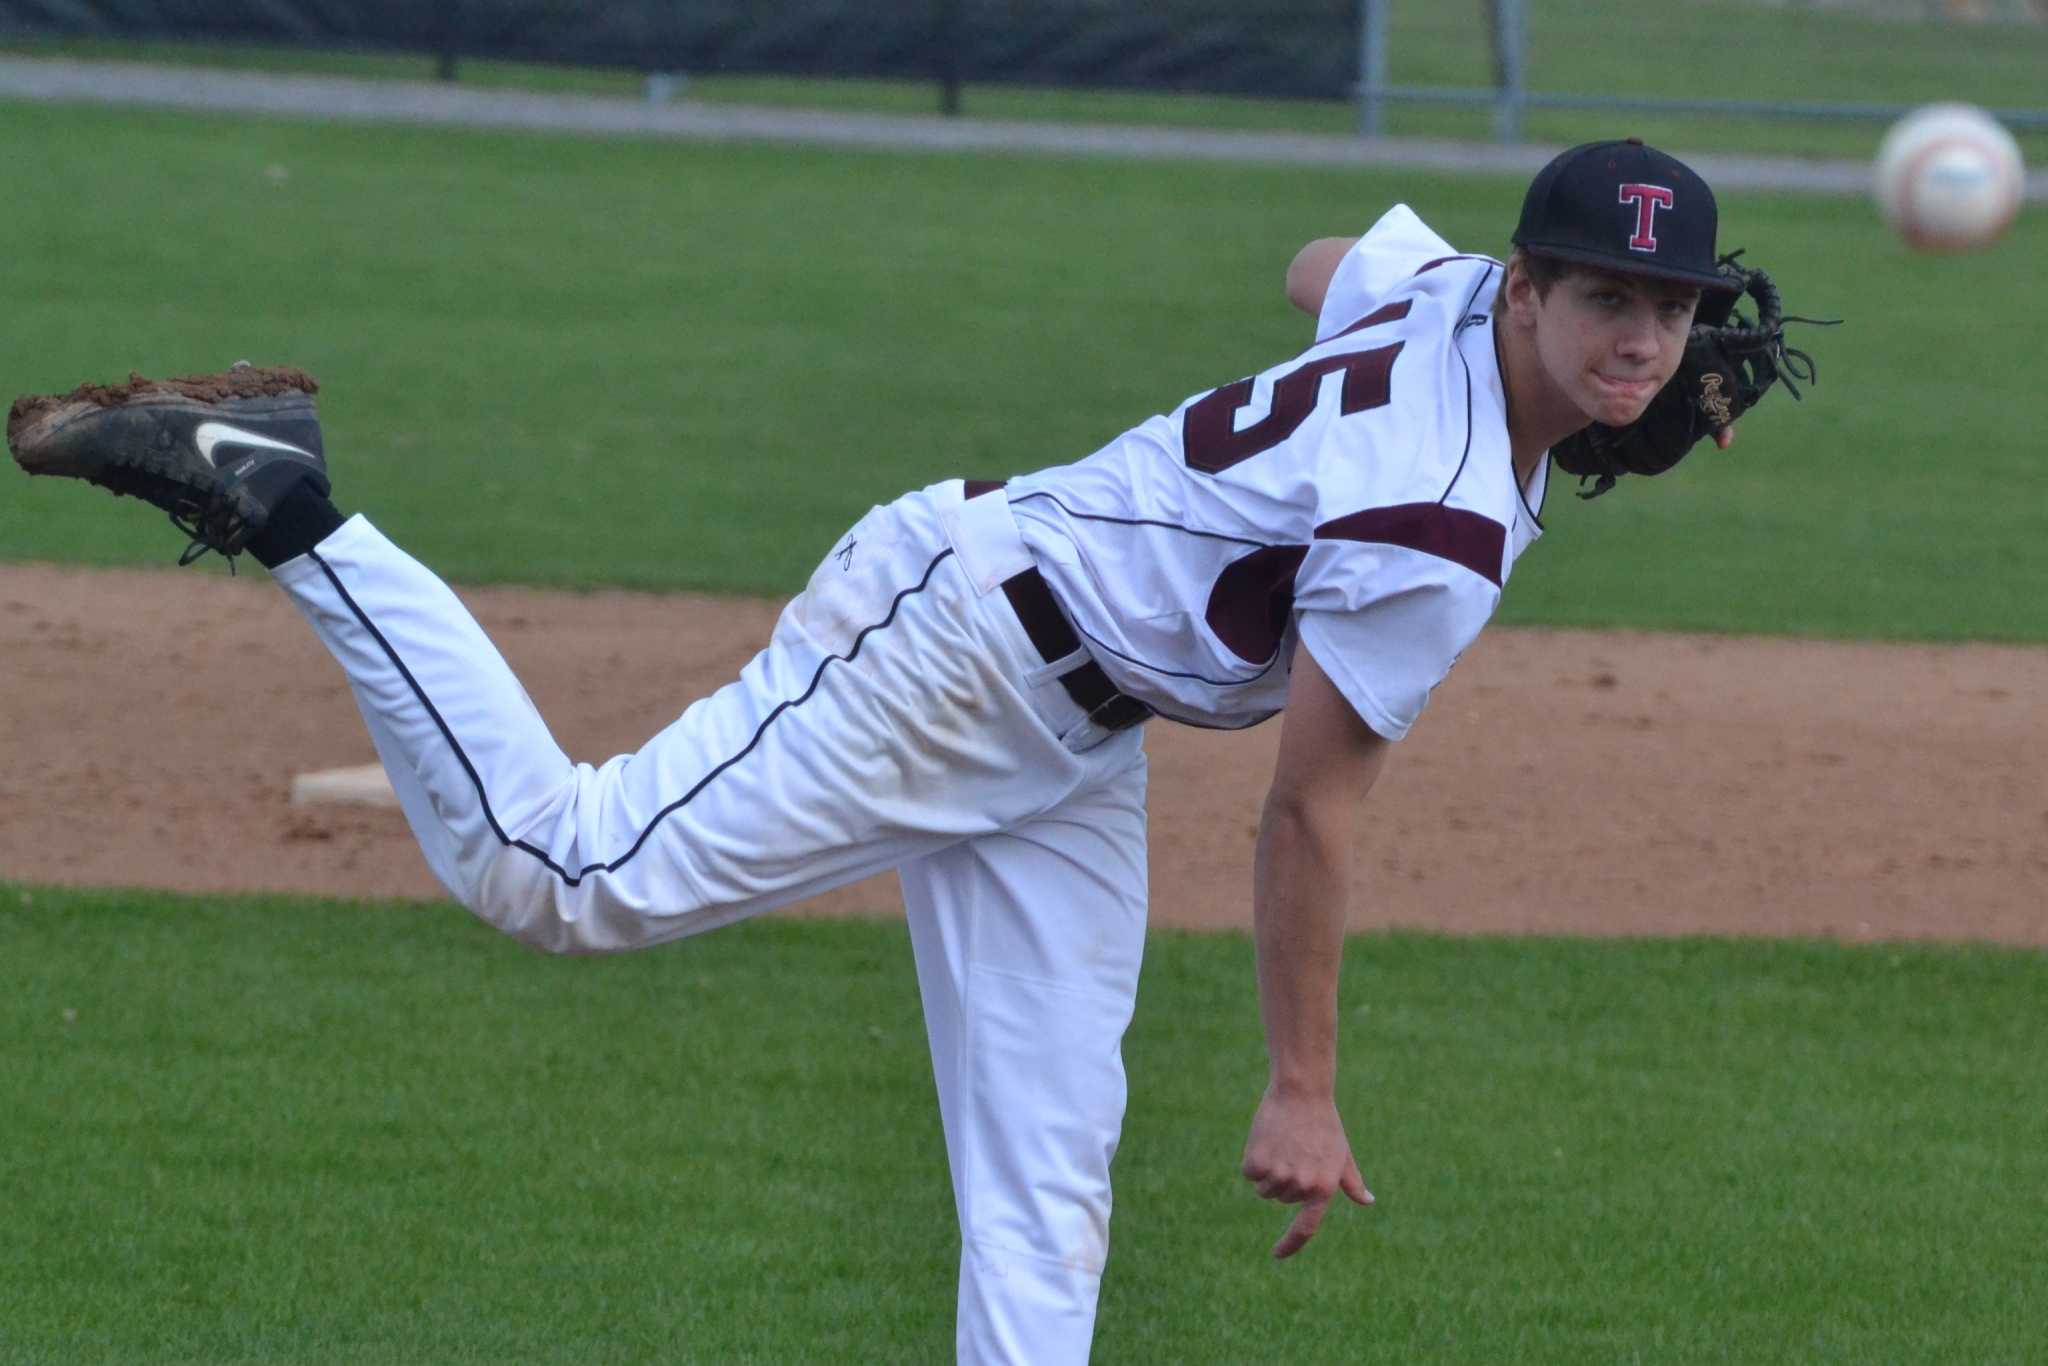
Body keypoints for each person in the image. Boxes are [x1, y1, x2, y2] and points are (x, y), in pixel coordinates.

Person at [8, 138, 1743, 1363]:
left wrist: (1509, 377)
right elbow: (1308, 815)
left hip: (1069, 729)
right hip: (959, 653)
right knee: (557, 869)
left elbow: (1316, 265)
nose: (1643, 339)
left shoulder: (1447, 290)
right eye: (1605, 296)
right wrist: (1301, 1083)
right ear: (1531, 283)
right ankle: (284, 496)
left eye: (1668, 309)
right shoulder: (1440, 529)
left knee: (1046, 1176)